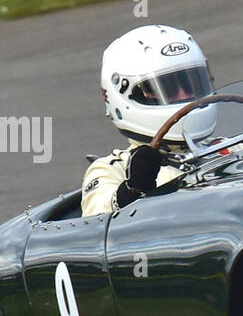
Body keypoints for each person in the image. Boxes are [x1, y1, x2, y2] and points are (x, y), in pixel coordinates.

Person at [81, 25, 220, 216]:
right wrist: (132, 191)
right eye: (169, 89)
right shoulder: (114, 169)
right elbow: (96, 223)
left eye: (192, 84)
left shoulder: (232, 147)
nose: (186, 95)